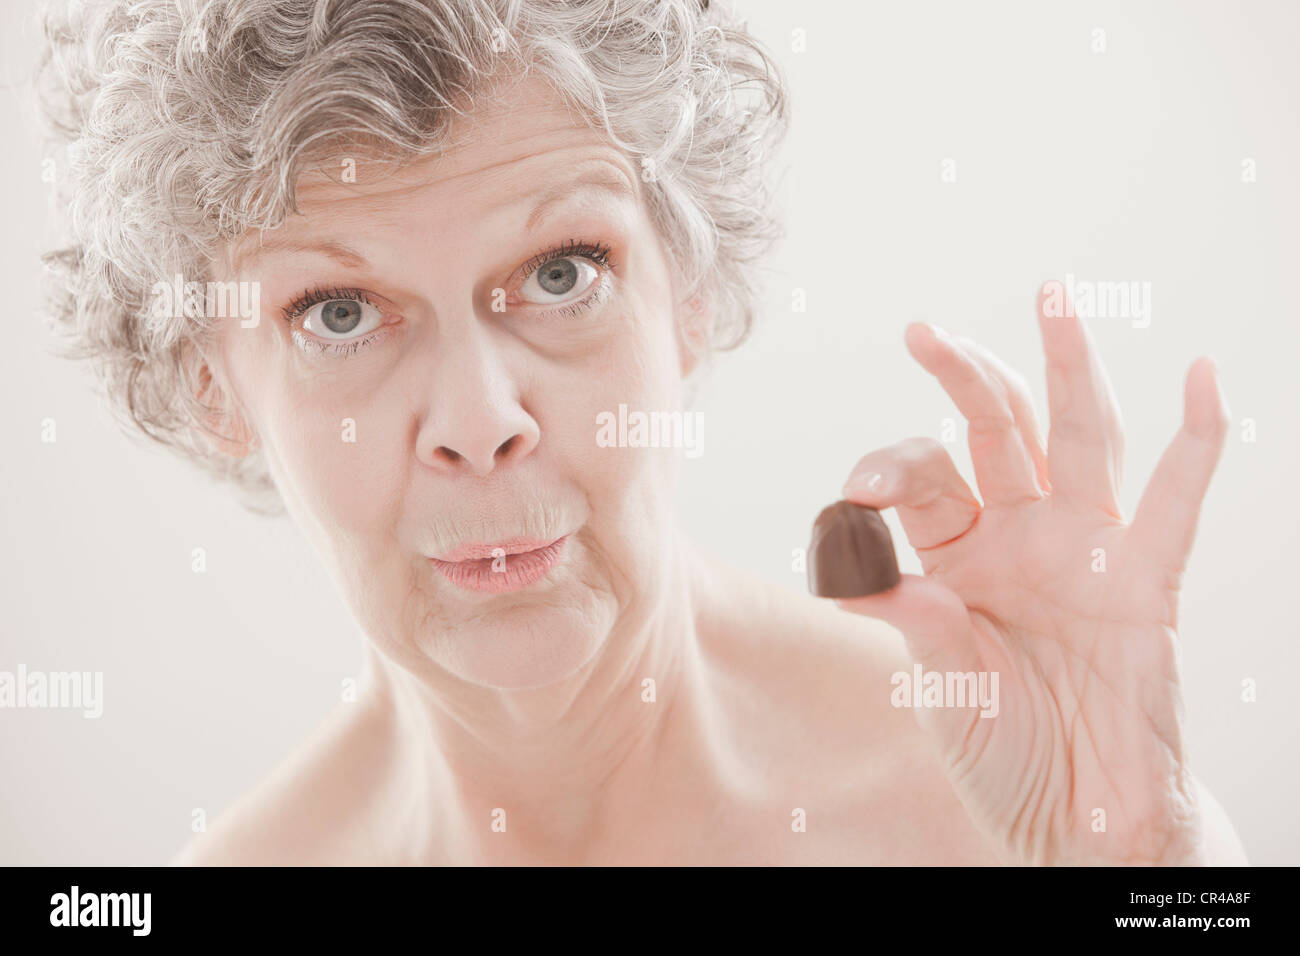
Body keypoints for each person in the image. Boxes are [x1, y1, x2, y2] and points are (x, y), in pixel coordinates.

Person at [36, 0, 1247, 865]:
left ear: (693, 291)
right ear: (212, 385)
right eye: (339, 312)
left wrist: (1154, 859)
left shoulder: (985, 789)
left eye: (562, 272)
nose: (480, 421)